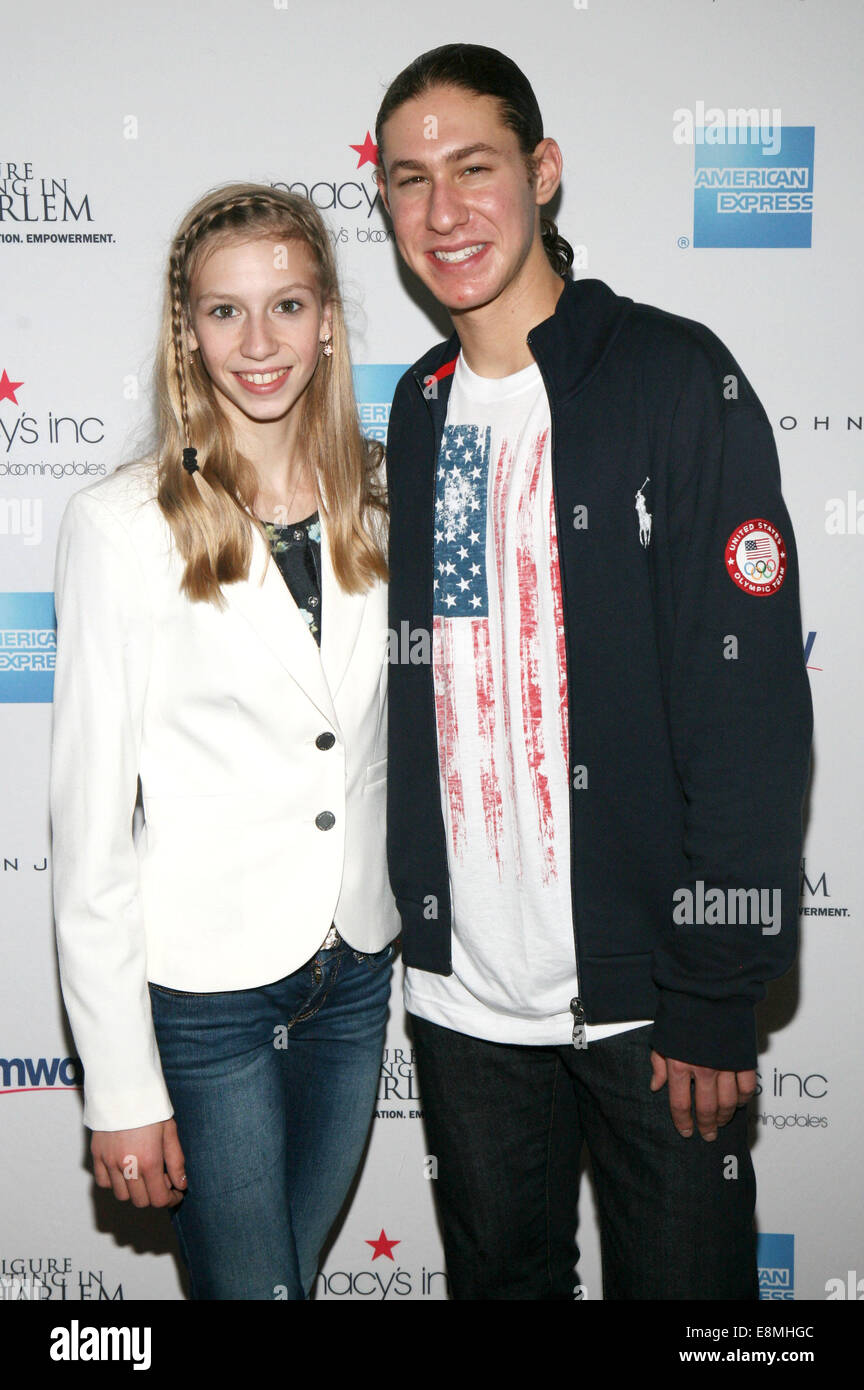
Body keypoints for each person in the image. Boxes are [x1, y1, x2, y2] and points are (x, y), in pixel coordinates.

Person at [375, 45, 812, 1300]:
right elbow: (457, 667)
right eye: (410, 181)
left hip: (653, 1005)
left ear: (544, 172)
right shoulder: (424, 405)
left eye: (474, 169)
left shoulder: (676, 378)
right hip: (466, 1008)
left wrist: (719, 992)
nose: (443, 212)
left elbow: (751, 710)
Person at [50, 183, 399, 1301]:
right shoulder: (121, 527)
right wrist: (118, 1084)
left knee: (282, 1282)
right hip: (205, 999)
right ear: (185, 330)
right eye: (225, 312)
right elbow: (90, 826)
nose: (260, 343)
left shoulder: (386, 498)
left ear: (331, 318)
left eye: (288, 305)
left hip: (356, 969)